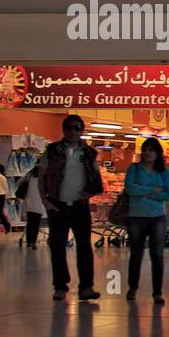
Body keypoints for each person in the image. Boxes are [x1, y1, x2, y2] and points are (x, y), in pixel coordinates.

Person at [38, 115, 104, 301]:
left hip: (79, 205)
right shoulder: (52, 151)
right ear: (63, 130)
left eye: (76, 128)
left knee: (84, 246)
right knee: (57, 246)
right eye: (69, 128)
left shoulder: (89, 153)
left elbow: (95, 178)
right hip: (57, 205)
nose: (72, 132)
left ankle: (86, 287)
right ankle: (60, 286)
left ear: (82, 130)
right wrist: (46, 201)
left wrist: (88, 194)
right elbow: (42, 176)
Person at [123, 137, 169, 305]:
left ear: (158, 153)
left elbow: (167, 194)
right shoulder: (134, 168)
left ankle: (157, 292)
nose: (147, 153)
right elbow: (129, 188)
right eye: (145, 150)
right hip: (136, 216)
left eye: (151, 150)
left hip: (157, 217)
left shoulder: (163, 171)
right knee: (136, 254)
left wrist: (142, 192)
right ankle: (133, 287)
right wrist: (152, 190)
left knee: (157, 255)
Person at [17, 166, 46, 249]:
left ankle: (29, 242)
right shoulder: (43, 178)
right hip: (39, 203)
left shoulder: (28, 176)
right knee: (36, 224)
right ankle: (33, 242)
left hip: (29, 203)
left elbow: (18, 183)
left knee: (30, 223)